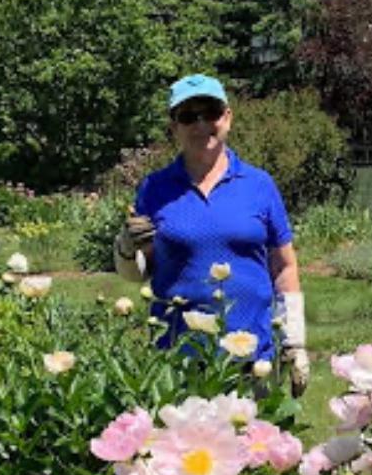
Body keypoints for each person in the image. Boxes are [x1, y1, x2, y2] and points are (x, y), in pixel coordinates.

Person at [114, 74, 309, 393]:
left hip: (252, 356)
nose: (201, 124)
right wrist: (125, 247)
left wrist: (295, 341)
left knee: (253, 441)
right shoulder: (155, 189)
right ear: (174, 126)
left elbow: (284, 266)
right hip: (178, 358)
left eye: (211, 113)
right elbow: (141, 270)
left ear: (228, 117)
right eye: (189, 116)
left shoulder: (259, 185)